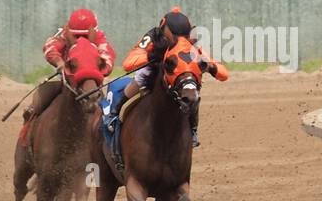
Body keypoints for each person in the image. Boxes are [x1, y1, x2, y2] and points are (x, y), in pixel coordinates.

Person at [108, 8, 225, 147]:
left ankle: (193, 129)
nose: (179, 40)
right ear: (164, 31)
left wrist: (211, 67)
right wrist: (153, 56)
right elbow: (128, 63)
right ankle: (116, 111)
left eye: (183, 36)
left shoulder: (190, 44)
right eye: (175, 35)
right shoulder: (153, 36)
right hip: (156, 66)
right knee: (140, 77)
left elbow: (224, 74)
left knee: (192, 88)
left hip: (177, 72)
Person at [19, 9, 116, 144]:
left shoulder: (99, 39)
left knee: (110, 114)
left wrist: (96, 66)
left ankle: (111, 148)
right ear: (70, 32)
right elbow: (49, 46)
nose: (81, 40)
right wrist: (59, 62)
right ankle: (26, 138)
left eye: (86, 36)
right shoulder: (64, 35)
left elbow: (108, 58)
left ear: (94, 33)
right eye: (76, 36)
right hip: (66, 85)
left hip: (92, 87)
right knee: (36, 104)